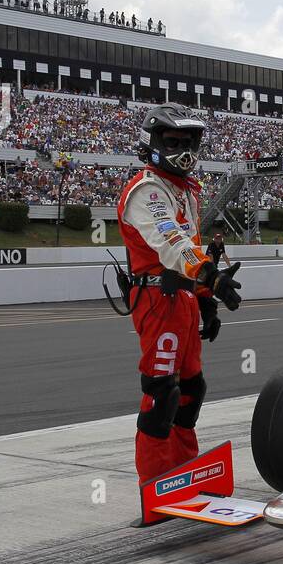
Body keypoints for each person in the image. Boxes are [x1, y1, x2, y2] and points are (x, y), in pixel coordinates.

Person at [116, 105, 243, 487]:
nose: (184, 150)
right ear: (151, 143)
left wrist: (206, 299)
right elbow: (172, 243)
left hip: (183, 298)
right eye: (174, 142)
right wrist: (210, 275)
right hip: (157, 301)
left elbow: (192, 245)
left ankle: (184, 470)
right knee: (162, 392)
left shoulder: (184, 190)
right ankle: (154, 483)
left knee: (191, 389)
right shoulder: (147, 190)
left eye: (189, 142)